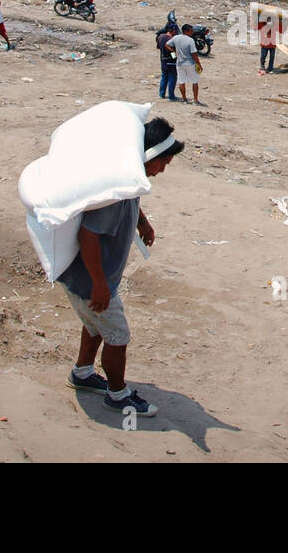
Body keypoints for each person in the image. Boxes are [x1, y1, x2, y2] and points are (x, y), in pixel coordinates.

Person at [62, 116, 184, 417]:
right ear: (150, 157)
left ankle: (82, 373)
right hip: (91, 280)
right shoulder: (115, 192)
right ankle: (118, 395)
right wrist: (100, 285)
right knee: (118, 336)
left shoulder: (130, 179)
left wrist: (142, 223)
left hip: (85, 279)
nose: (163, 170)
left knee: (95, 326)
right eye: (163, 163)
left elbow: (134, 202)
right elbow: (88, 236)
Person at [169, 23, 203, 105]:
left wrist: (174, 52)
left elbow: (167, 45)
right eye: (191, 31)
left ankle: (184, 99)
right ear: (187, 31)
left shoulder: (176, 38)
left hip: (179, 63)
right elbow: (194, 54)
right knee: (195, 82)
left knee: (182, 82)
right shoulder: (190, 40)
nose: (192, 32)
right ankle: (195, 100)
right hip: (190, 63)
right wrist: (199, 64)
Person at [156, 22, 178, 100]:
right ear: (173, 30)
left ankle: (162, 94)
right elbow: (173, 51)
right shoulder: (172, 40)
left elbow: (158, 47)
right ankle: (171, 96)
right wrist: (175, 57)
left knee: (164, 77)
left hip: (163, 60)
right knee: (172, 78)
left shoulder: (160, 37)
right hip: (171, 61)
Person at [257, 9, 281, 74]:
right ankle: (262, 66)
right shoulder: (262, 25)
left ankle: (270, 68)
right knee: (263, 56)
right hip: (264, 44)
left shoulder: (275, 25)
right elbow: (256, 26)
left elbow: (281, 30)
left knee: (272, 57)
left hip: (272, 44)